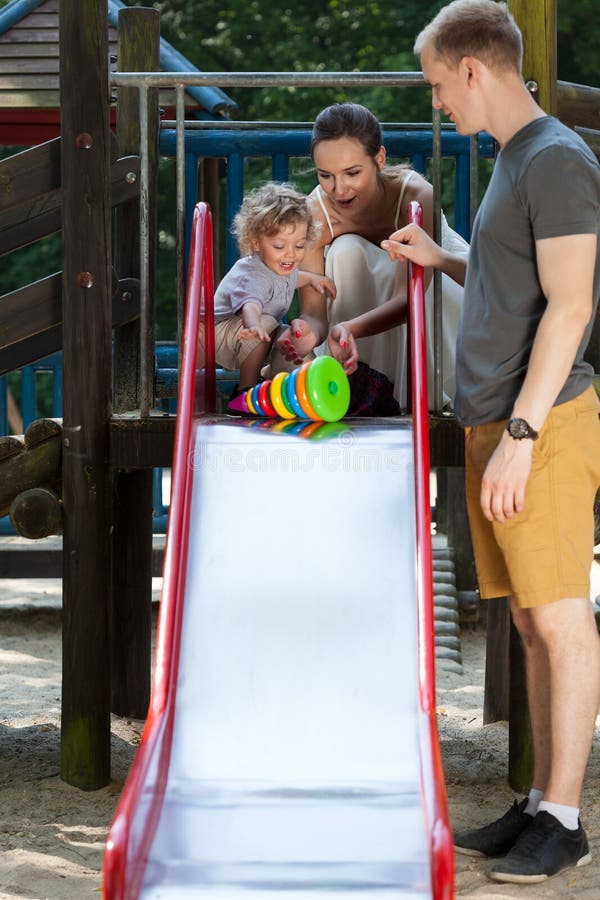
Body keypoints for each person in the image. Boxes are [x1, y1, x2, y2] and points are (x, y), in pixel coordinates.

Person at [383, 0, 600, 885]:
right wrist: (445, 262)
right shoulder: (515, 159)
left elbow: (574, 304)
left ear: (474, 68)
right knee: (527, 619)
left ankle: (567, 817)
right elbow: (520, 280)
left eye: (437, 83)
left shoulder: (556, 160)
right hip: (496, 425)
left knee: (559, 618)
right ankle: (539, 801)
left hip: (537, 427)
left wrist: (521, 432)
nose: (438, 102)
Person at [274, 102, 469, 410]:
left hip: (434, 291)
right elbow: (315, 312)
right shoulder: (314, 214)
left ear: (379, 158)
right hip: (361, 301)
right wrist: (309, 332)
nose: (339, 189)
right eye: (326, 176)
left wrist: (352, 328)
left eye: (352, 173)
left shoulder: (416, 197)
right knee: (345, 250)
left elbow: (409, 300)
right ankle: (364, 393)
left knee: (400, 261)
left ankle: (411, 398)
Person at [197, 181, 335, 398]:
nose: (290, 254)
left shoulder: (280, 266)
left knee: (289, 337)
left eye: (299, 245)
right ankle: (245, 390)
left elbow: (295, 278)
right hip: (215, 335)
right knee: (268, 323)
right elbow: (251, 304)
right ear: (256, 243)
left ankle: (284, 381)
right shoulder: (253, 273)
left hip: (243, 334)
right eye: (280, 246)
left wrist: (314, 280)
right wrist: (253, 326)